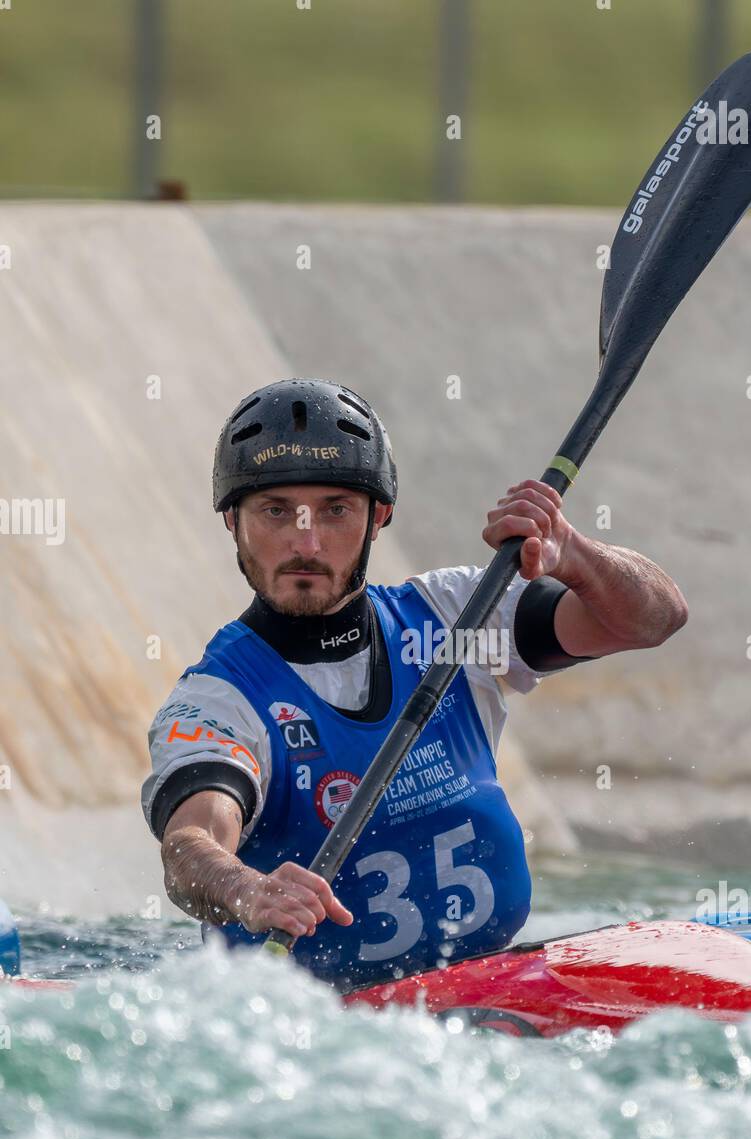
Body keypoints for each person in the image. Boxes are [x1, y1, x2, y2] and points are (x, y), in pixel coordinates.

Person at [142, 379, 687, 989]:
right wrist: (248, 890)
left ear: (380, 516)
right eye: (276, 511)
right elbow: (190, 846)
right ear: (230, 522)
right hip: (312, 1027)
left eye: (335, 509)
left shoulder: (459, 613)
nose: (306, 542)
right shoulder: (219, 699)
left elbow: (654, 618)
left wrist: (575, 555)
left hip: (489, 993)